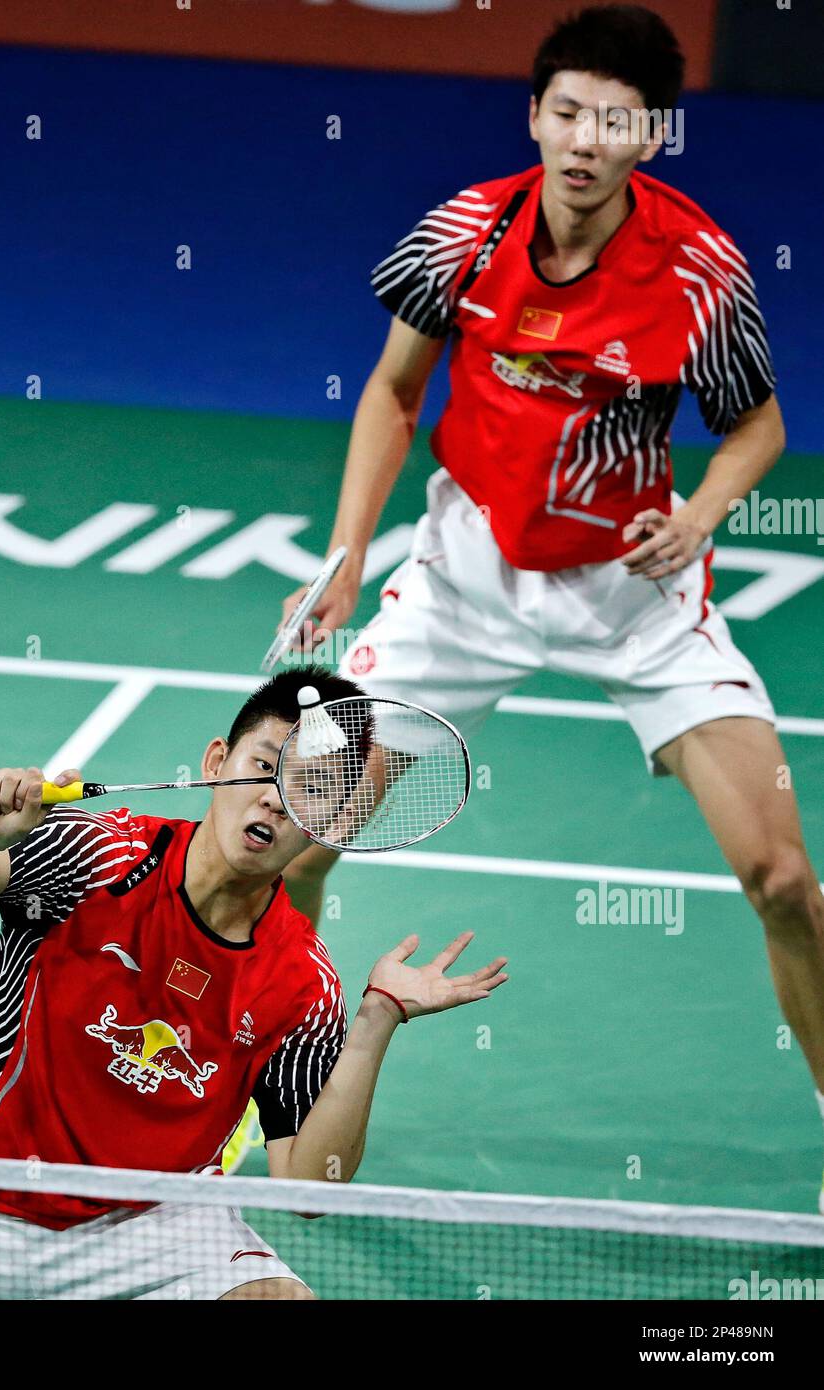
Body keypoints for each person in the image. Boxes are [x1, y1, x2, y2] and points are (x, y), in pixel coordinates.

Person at [277, 5, 824, 1207]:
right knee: (294, 843)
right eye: (566, 111)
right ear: (534, 116)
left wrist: (704, 513)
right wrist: (349, 548)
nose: (584, 139)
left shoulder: (697, 273)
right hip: (464, 579)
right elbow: (392, 388)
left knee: (785, 880)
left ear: (650, 136)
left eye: (614, 119)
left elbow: (759, 427)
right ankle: (279, 1083)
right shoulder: (463, 236)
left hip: (635, 596)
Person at [0, 666, 507, 1301]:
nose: (277, 797)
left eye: (313, 787)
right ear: (216, 761)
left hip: (150, 1229)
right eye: (264, 766)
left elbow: (309, 1190)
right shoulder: (100, 855)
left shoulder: (304, 981)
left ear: (328, 822)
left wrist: (376, 1021)